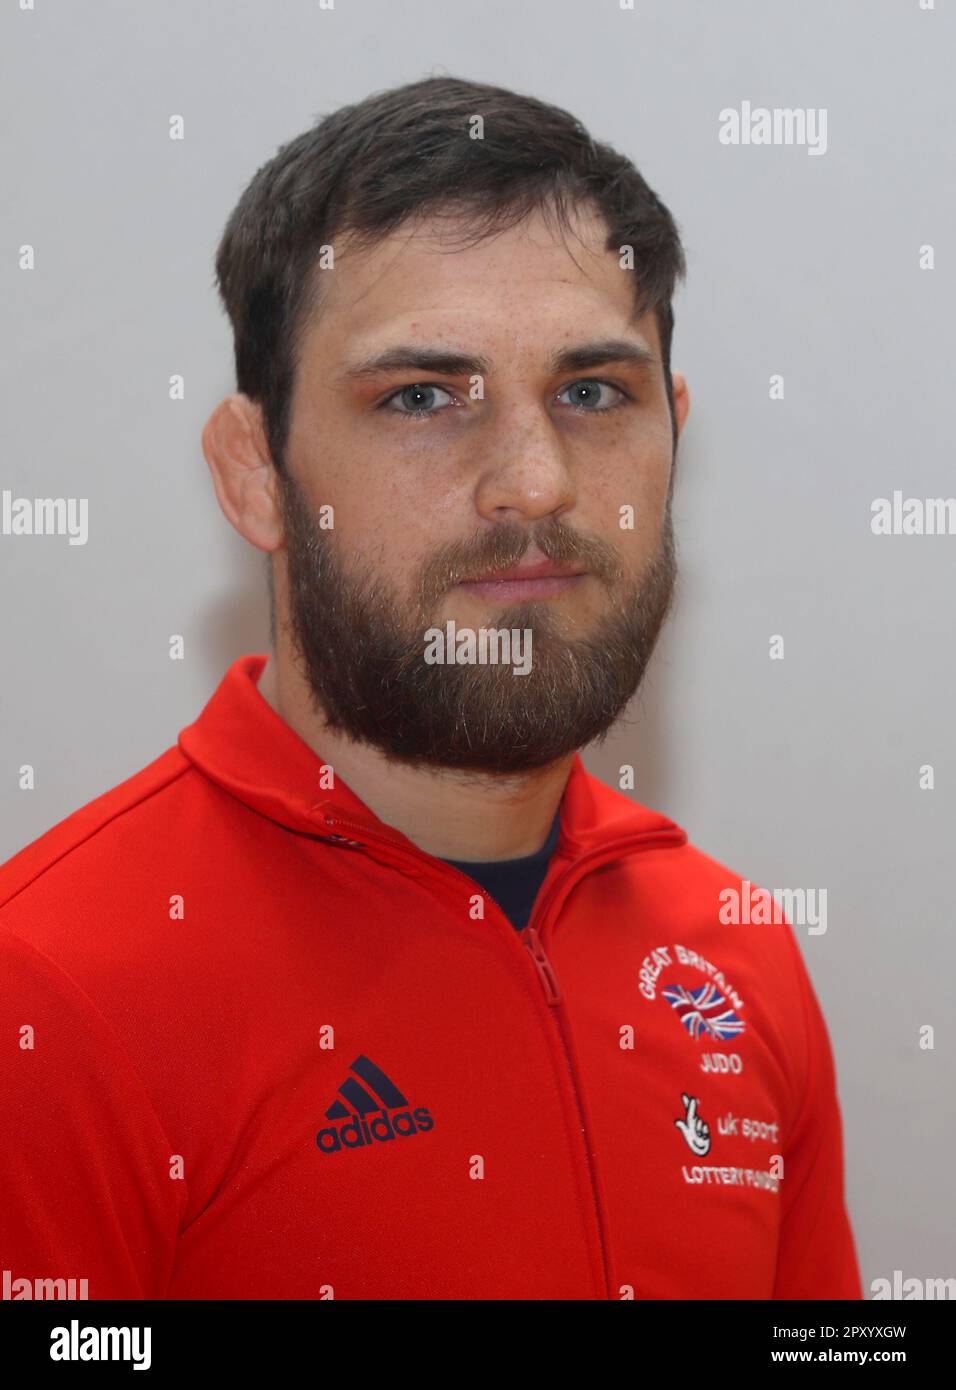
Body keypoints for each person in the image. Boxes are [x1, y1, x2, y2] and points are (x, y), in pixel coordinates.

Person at [0, 75, 861, 1300]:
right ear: (255, 474)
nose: (532, 482)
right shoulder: (45, 994)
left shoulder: (735, 950)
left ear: (673, 436)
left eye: (591, 393)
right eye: (420, 397)